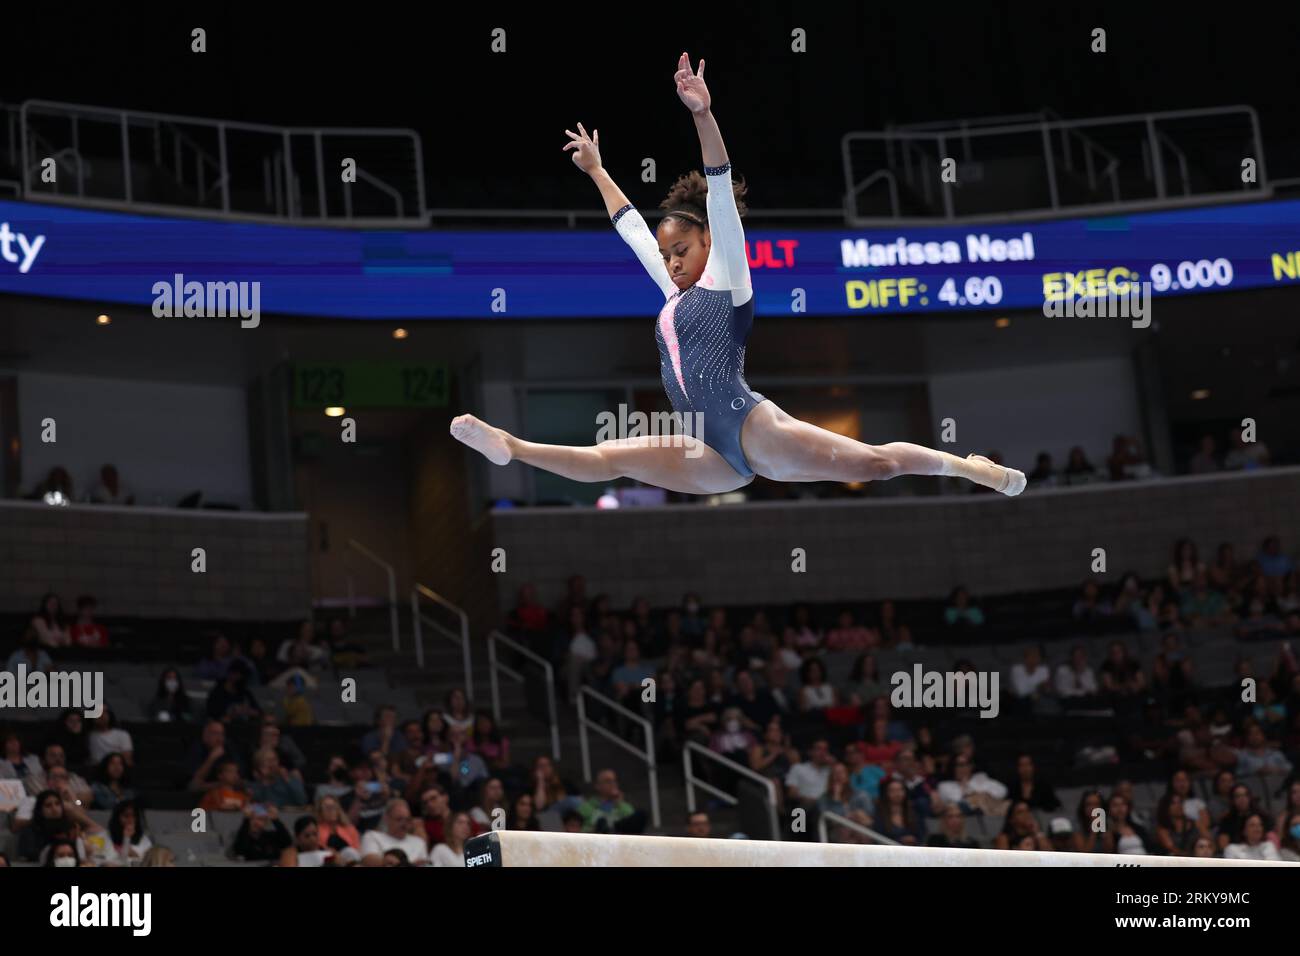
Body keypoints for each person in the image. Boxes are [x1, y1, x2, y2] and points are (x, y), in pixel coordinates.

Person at [451, 53, 1026, 499]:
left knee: (876, 464)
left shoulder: (728, 278)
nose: (671, 261)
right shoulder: (673, 294)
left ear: (708, 242)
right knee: (611, 457)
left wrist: (703, 114)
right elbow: (630, 229)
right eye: (666, 254)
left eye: (681, 250)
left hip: (751, 428)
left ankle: (965, 466)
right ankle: (510, 446)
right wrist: (599, 172)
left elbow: (719, 183)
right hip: (707, 449)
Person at [360, 798, 429, 865]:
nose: (404, 824)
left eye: (407, 819)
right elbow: (368, 860)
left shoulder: (419, 842)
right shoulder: (372, 836)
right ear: (386, 818)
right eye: (399, 819)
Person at [578, 769, 645, 834]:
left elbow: (633, 824)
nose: (613, 784)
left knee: (641, 814)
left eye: (614, 781)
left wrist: (619, 804)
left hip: (620, 841)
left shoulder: (623, 806)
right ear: (597, 786)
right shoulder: (586, 807)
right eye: (608, 781)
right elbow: (578, 830)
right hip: (597, 840)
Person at [104, 799, 152, 866]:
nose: (130, 820)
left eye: (134, 816)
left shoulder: (144, 840)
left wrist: (135, 854)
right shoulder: (106, 836)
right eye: (126, 816)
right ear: (117, 817)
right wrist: (126, 838)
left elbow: (149, 862)